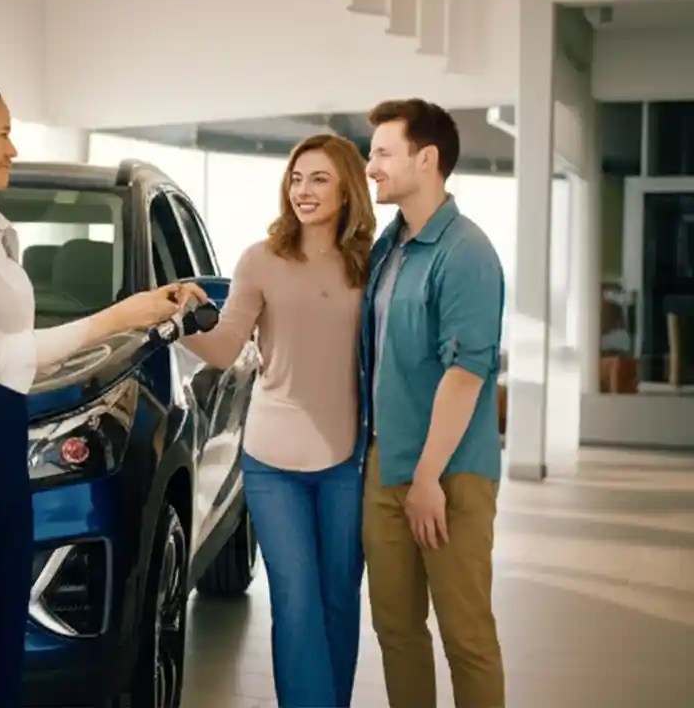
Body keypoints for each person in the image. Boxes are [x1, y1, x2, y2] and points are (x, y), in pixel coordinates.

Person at [0, 53, 207, 708]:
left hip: (4, 445)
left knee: (1, 638)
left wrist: (142, 321)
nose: (13, 146)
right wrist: (121, 313)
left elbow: (23, 357)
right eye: (2, 132)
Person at [180, 133, 376, 708]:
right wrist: (177, 321)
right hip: (272, 460)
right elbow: (224, 347)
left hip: (347, 457)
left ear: (346, 188)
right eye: (296, 178)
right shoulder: (260, 259)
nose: (304, 191)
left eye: (319, 179)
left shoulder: (371, 261)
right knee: (295, 600)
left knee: (340, 598)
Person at [361, 98, 506, 708]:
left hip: (448, 476)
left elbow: (468, 374)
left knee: (465, 637)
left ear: (427, 159)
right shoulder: (388, 248)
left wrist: (427, 479)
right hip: (385, 465)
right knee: (396, 632)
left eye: (382, 153)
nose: (371, 168)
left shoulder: (466, 252)